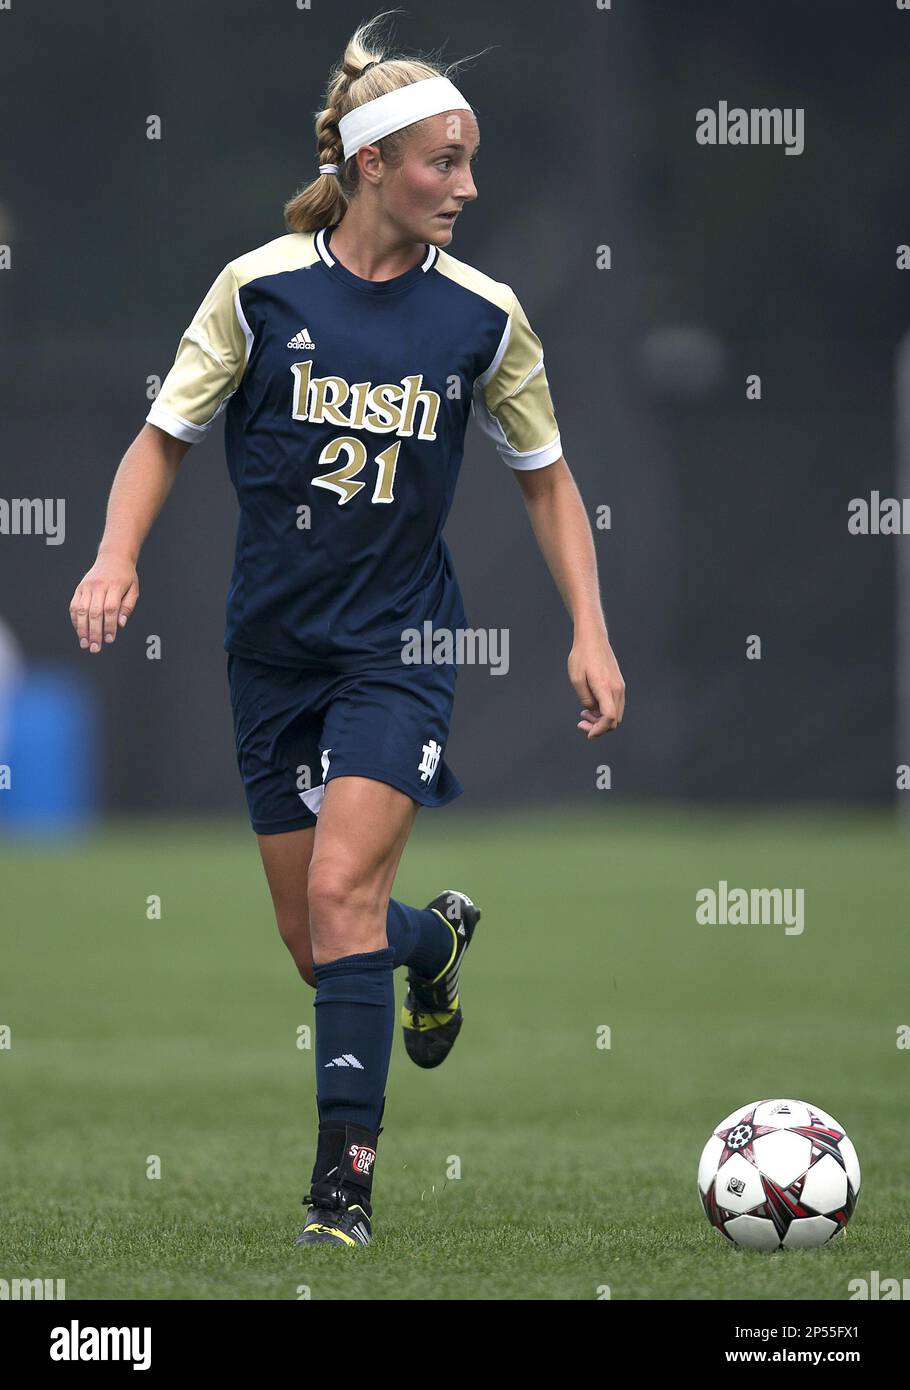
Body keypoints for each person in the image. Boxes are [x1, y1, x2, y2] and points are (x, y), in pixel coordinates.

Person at [68, 15, 625, 1249]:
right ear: (371, 163)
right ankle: (434, 946)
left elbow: (543, 474)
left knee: (338, 891)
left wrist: (590, 627)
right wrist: (115, 553)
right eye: (443, 161)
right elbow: (161, 438)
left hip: (400, 645)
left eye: (472, 161)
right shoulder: (257, 288)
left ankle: (342, 1195)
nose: (467, 187)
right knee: (325, 945)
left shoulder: (482, 315)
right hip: (270, 648)